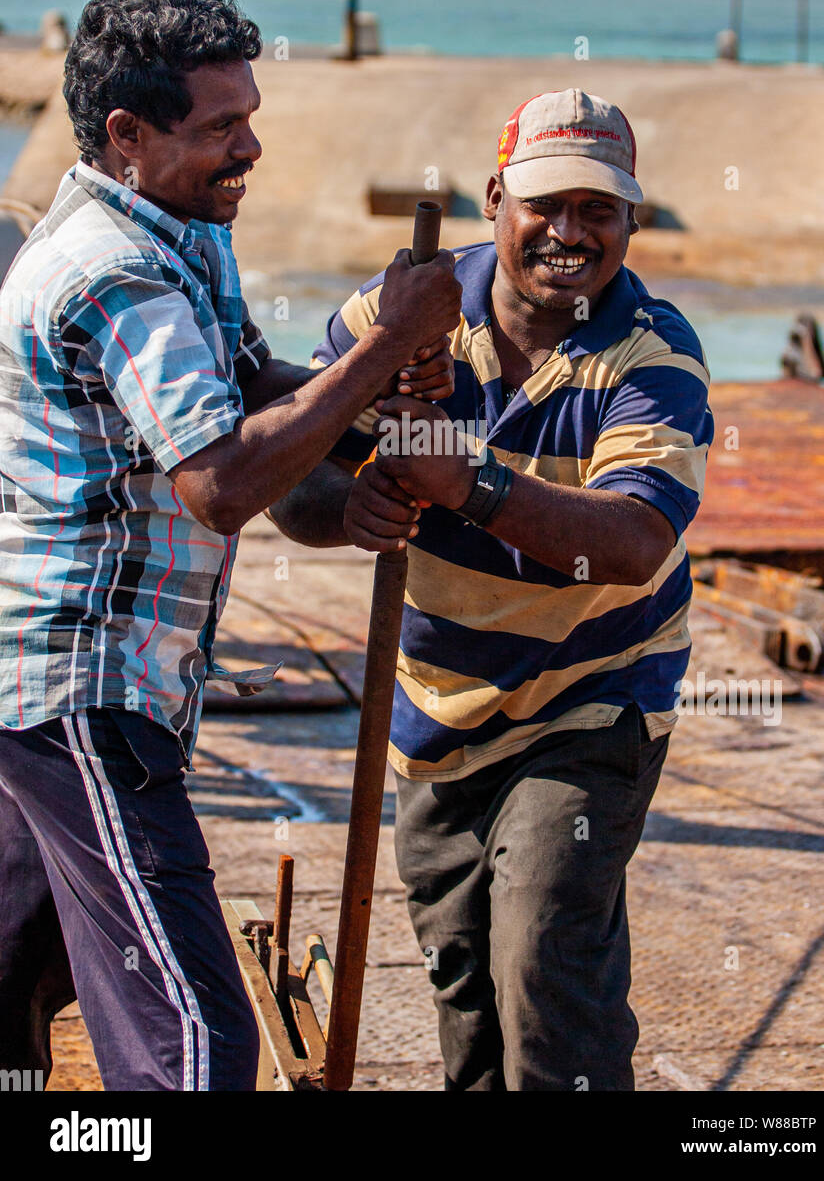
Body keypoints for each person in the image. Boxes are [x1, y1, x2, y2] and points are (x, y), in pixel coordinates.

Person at [0, 0, 461, 1090]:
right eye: (220, 128)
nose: (248, 147)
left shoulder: (184, 233)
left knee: (15, 970)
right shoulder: (107, 268)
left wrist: (381, 398)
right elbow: (214, 479)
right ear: (127, 134)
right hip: (82, 690)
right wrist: (376, 352)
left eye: (249, 117)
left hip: (90, 684)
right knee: (194, 1041)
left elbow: (250, 382)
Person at [270, 88, 714, 1091]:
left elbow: (633, 541)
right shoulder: (397, 321)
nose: (567, 232)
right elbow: (295, 475)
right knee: (463, 977)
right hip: (437, 703)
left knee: (544, 963)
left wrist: (462, 480)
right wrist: (352, 505)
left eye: (597, 210)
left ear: (630, 223)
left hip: (590, 695)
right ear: (493, 202)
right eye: (544, 204)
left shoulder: (649, 352)